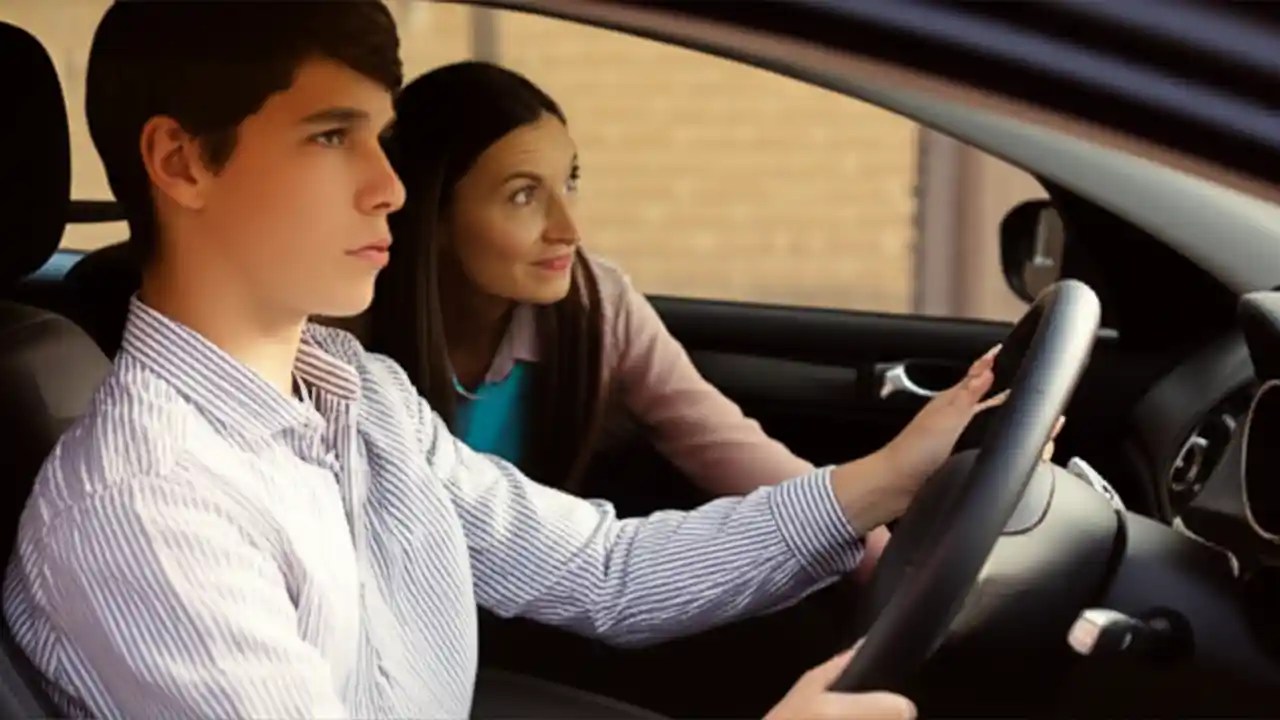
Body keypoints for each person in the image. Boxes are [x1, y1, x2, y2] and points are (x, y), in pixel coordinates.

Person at [2, 2, 996, 718]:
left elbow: (604, 571)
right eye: (332, 136)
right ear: (183, 163)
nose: (390, 186)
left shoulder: (363, 399)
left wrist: (881, 481)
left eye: (380, 139)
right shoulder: (150, 508)